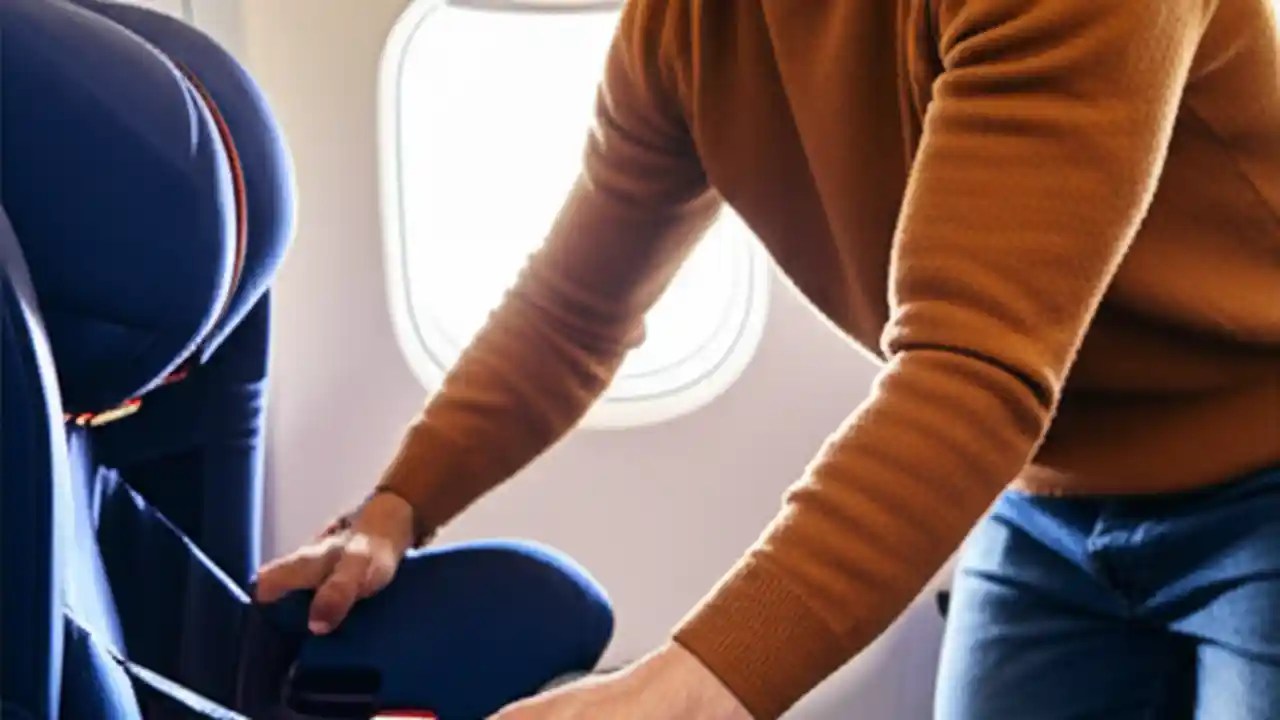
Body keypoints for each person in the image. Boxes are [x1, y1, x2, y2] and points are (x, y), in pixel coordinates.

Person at [255, 0, 1280, 717]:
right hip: (1043, 504)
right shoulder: (688, 26)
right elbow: (572, 311)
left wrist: (686, 690)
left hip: (1257, 472)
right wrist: (395, 508)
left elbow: (967, 371)